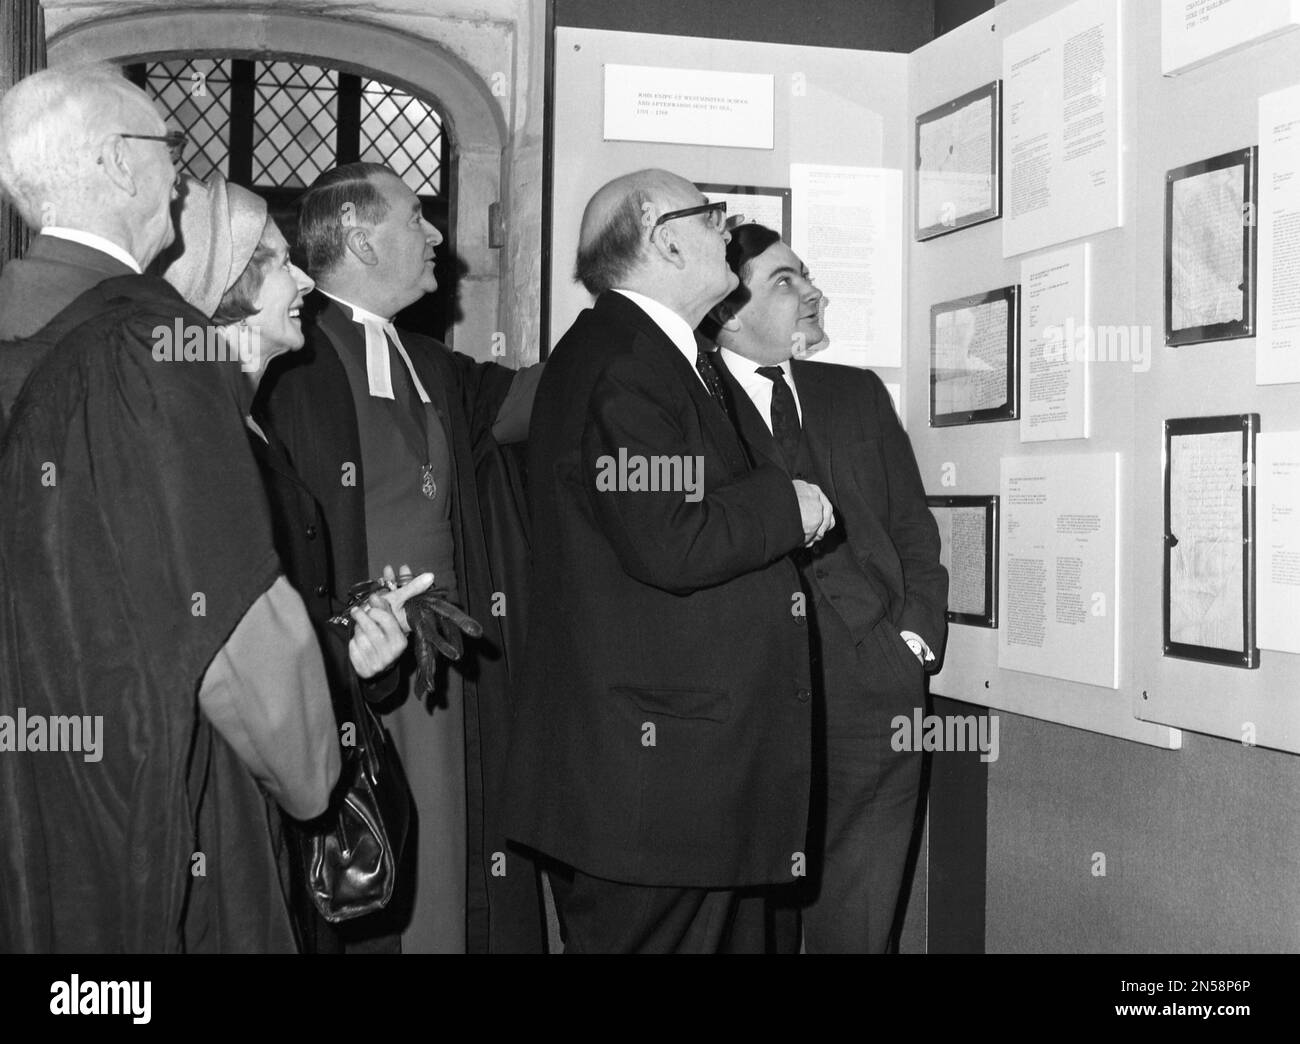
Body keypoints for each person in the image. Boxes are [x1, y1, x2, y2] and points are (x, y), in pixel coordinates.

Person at [0, 65, 341, 952]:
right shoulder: (155, 343)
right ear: (117, 163)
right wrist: (314, 781)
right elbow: (233, 626)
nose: (183, 177)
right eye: (172, 152)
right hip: (153, 816)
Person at [505, 170, 836, 953]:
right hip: (656, 790)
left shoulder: (655, 354)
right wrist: (787, 505)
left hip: (680, 783)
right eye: (711, 215)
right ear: (663, 233)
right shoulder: (625, 360)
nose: (726, 228)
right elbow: (668, 536)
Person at [259, 161, 544, 953]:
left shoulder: (434, 362)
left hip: (442, 674)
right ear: (357, 236)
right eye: (416, 217)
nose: (437, 236)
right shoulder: (285, 359)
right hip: (350, 676)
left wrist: (632, 314)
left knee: (443, 889)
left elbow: (534, 400)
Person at [159, 172, 438, 953]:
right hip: (234, 805)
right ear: (229, 286)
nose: (305, 279)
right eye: (280, 261)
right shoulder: (203, 432)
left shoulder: (248, 421)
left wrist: (362, 655)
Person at [704, 223, 948, 953]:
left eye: (806, 274)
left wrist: (914, 642)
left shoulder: (856, 393)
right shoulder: (690, 402)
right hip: (752, 696)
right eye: (785, 280)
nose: (813, 292)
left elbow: (913, 529)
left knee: (861, 918)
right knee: (753, 918)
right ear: (729, 309)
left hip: (877, 687)